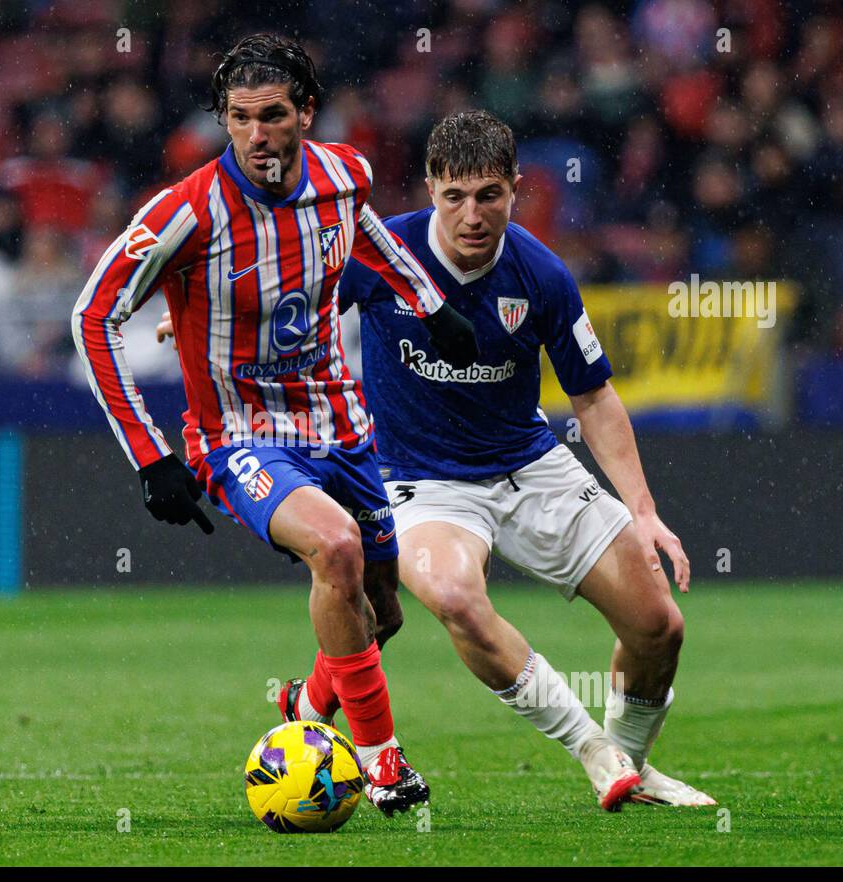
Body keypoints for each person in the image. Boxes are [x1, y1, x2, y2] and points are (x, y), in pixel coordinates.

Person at [161, 111, 714, 809]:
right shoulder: (380, 250)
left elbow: (595, 397)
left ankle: (632, 764)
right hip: (420, 482)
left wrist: (644, 510)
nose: (472, 215)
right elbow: (289, 294)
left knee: (659, 624)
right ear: (430, 189)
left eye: (489, 195)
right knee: (451, 596)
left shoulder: (541, 273)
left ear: (516, 189)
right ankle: (594, 750)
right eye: (455, 196)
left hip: (530, 464)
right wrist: (209, 317)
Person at [72, 34, 479, 816]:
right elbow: (93, 313)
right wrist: (151, 455)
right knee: (336, 547)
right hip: (238, 434)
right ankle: (384, 763)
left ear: (307, 116)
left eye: (273, 115)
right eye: (239, 118)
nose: (256, 134)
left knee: (382, 611)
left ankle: (305, 706)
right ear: (223, 121)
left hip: (340, 421)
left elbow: (366, 237)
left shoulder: (344, 175)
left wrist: (431, 306)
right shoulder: (187, 212)